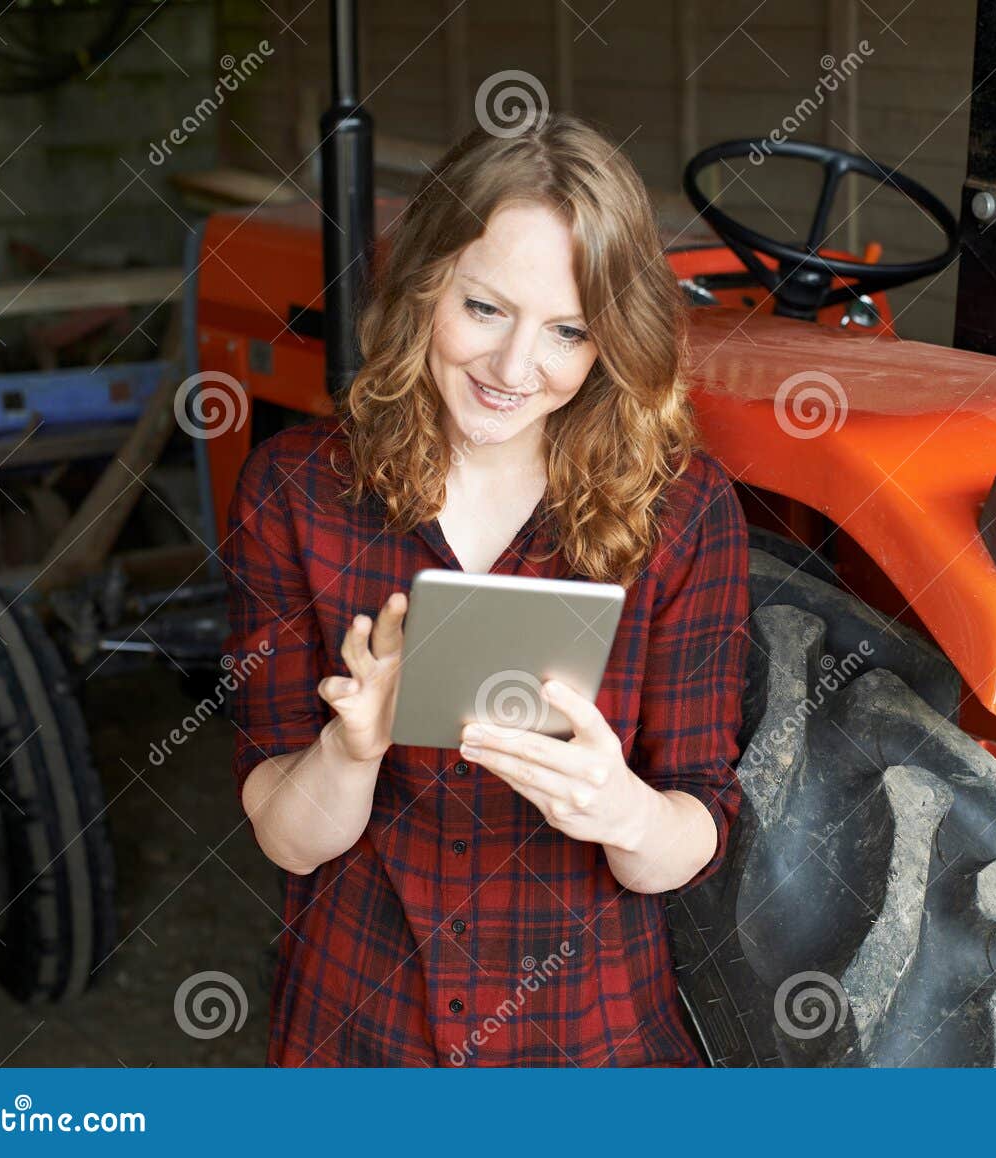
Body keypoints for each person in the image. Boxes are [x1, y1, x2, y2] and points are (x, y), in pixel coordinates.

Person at [220, 113, 751, 1067]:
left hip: (585, 1047)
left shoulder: (685, 512)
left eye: (567, 331)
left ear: (610, 340)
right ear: (424, 283)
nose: (514, 370)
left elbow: (691, 832)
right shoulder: (297, 491)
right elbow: (289, 843)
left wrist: (620, 807)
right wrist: (351, 748)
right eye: (484, 309)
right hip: (361, 1035)